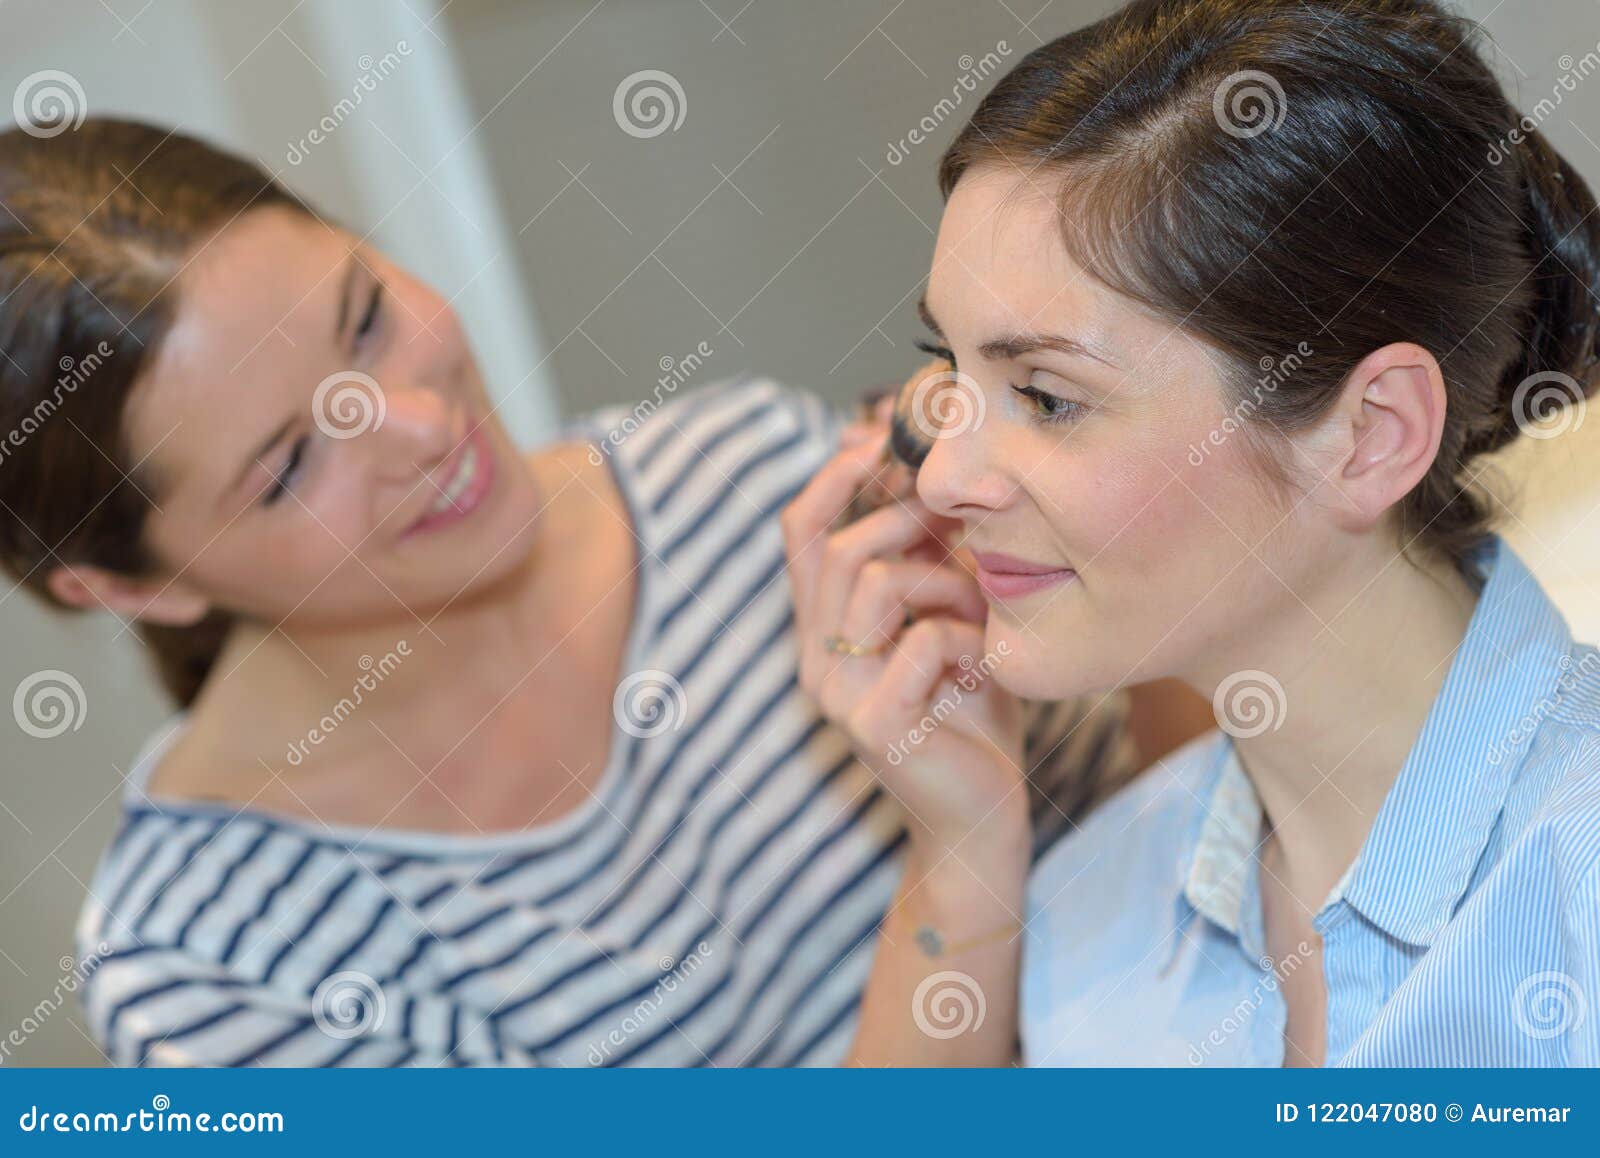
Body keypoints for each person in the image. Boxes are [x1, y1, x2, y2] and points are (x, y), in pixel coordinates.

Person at [0, 118, 1175, 1066]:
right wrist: (959, 860)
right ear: (125, 587)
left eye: (363, 321)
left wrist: (1118, 563)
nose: (418, 426)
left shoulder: (744, 476)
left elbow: (1179, 807)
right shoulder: (218, 967)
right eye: (290, 465)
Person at [787, 0, 1600, 1066]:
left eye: (1044, 396)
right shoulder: (1088, 915)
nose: (942, 476)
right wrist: (963, 844)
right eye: (952, 373)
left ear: (1369, 434)